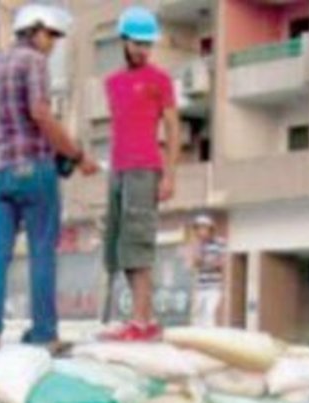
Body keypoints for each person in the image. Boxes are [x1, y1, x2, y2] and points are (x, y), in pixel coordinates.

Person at [0, 4, 98, 351]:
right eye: (51, 36)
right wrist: (76, 155)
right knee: (42, 251)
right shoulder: (34, 62)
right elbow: (40, 113)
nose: (54, 44)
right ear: (36, 31)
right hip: (31, 169)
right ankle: (44, 333)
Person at [99, 6, 181, 342]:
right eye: (137, 43)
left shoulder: (160, 80)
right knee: (118, 248)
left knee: (139, 244)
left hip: (144, 169)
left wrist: (170, 175)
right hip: (117, 169)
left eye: (147, 44)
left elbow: (173, 128)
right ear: (124, 41)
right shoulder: (112, 83)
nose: (142, 50)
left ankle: (141, 321)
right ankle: (142, 318)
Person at [187, 215, 225, 327]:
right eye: (198, 228)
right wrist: (199, 247)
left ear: (210, 229)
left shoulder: (220, 243)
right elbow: (195, 263)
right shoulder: (197, 244)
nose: (200, 231)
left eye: (203, 228)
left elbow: (221, 263)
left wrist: (207, 262)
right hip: (200, 286)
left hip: (214, 286)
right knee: (197, 315)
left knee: (209, 313)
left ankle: (210, 335)